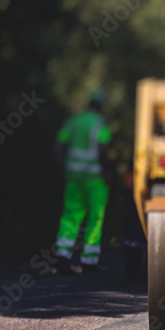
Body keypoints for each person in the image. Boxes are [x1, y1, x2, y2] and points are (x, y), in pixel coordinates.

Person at [54, 89, 114, 274]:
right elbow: (102, 149)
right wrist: (107, 170)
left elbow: (58, 144)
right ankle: (89, 261)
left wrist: (63, 166)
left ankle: (63, 257)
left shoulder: (74, 121)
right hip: (94, 179)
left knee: (71, 216)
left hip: (73, 178)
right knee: (95, 218)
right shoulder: (100, 124)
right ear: (101, 106)